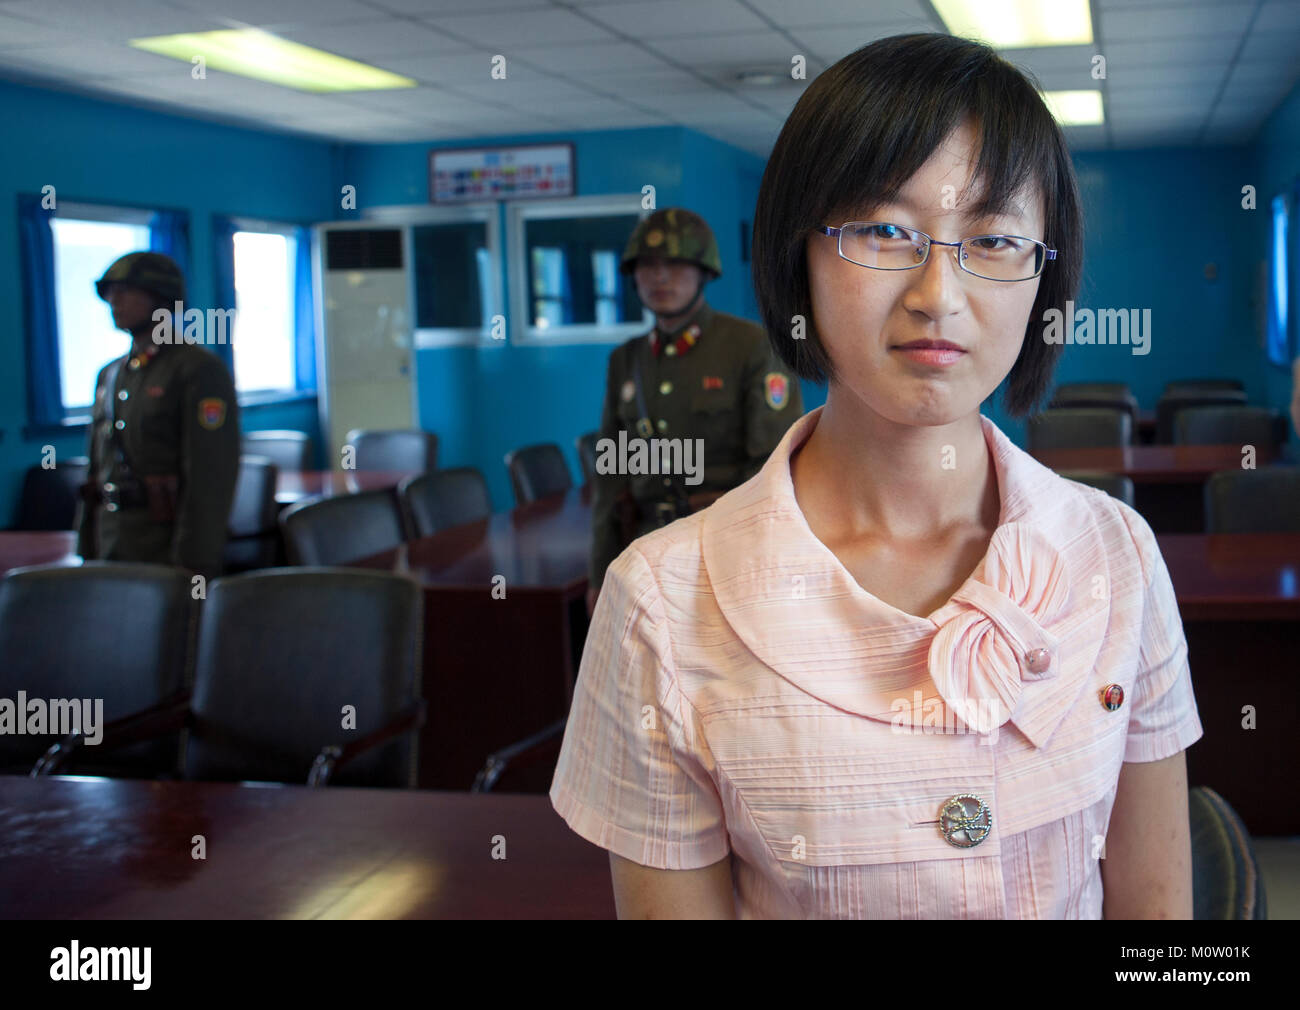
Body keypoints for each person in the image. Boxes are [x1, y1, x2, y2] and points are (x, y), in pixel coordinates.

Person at [550, 33, 1202, 919]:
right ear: (799, 259)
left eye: (997, 238)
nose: (940, 293)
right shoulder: (659, 605)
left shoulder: (1118, 554)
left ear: (1045, 280)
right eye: (885, 231)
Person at [587, 207, 802, 615]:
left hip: (727, 550)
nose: (660, 277)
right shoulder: (625, 361)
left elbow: (773, 465)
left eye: (676, 264)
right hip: (645, 553)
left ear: (704, 271)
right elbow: (610, 478)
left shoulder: (750, 346)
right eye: (648, 266)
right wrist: (600, 573)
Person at [75, 252, 241, 581]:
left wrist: (194, 560)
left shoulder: (197, 369)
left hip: (165, 546)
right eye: (110, 293)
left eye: (126, 291)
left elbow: (210, 475)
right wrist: (86, 542)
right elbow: (98, 467)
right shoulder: (111, 374)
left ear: (160, 298)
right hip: (111, 539)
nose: (114, 301)